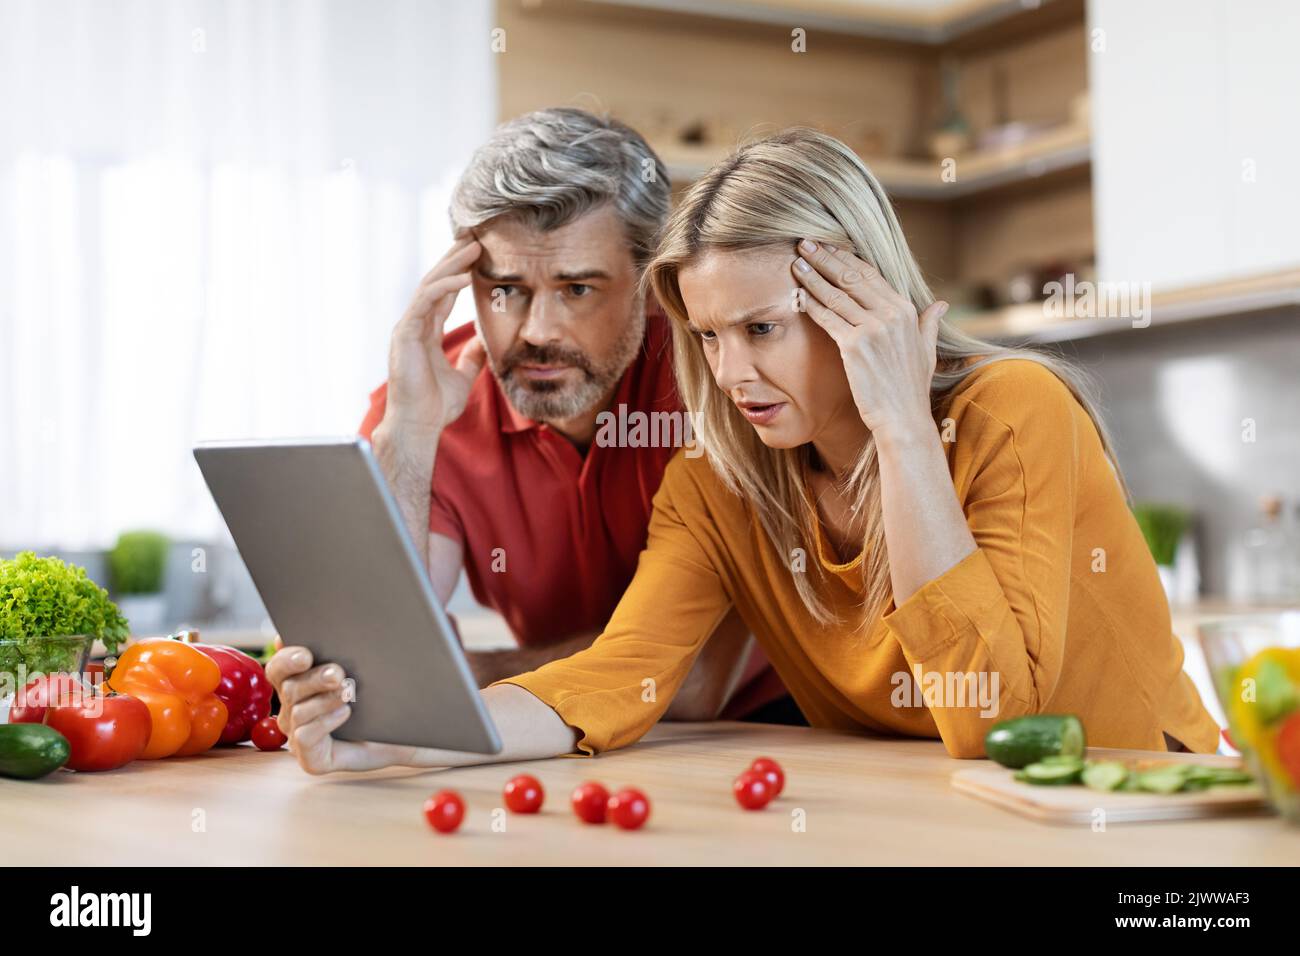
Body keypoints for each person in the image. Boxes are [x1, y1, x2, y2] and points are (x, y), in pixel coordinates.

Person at [269, 127, 1221, 773]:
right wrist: (390, 743)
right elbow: (615, 678)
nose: (730, 376)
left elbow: (997, 722)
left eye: (763, 330)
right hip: (950, 812)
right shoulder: (720, 480)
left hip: (1137, 804)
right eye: (711, 338)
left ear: (864, 305)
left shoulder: (1015, 411)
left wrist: (899, 431)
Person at [358, 106, 787, 724]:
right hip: (545, 724)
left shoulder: (722, 382)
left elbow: (690, 684)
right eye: (505, 289)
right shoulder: (425, 398)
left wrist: (474, 674)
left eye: (577, 289)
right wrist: (410, 433)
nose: (536, 333)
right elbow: (385, 659)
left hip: (762, 726)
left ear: (649, 280)